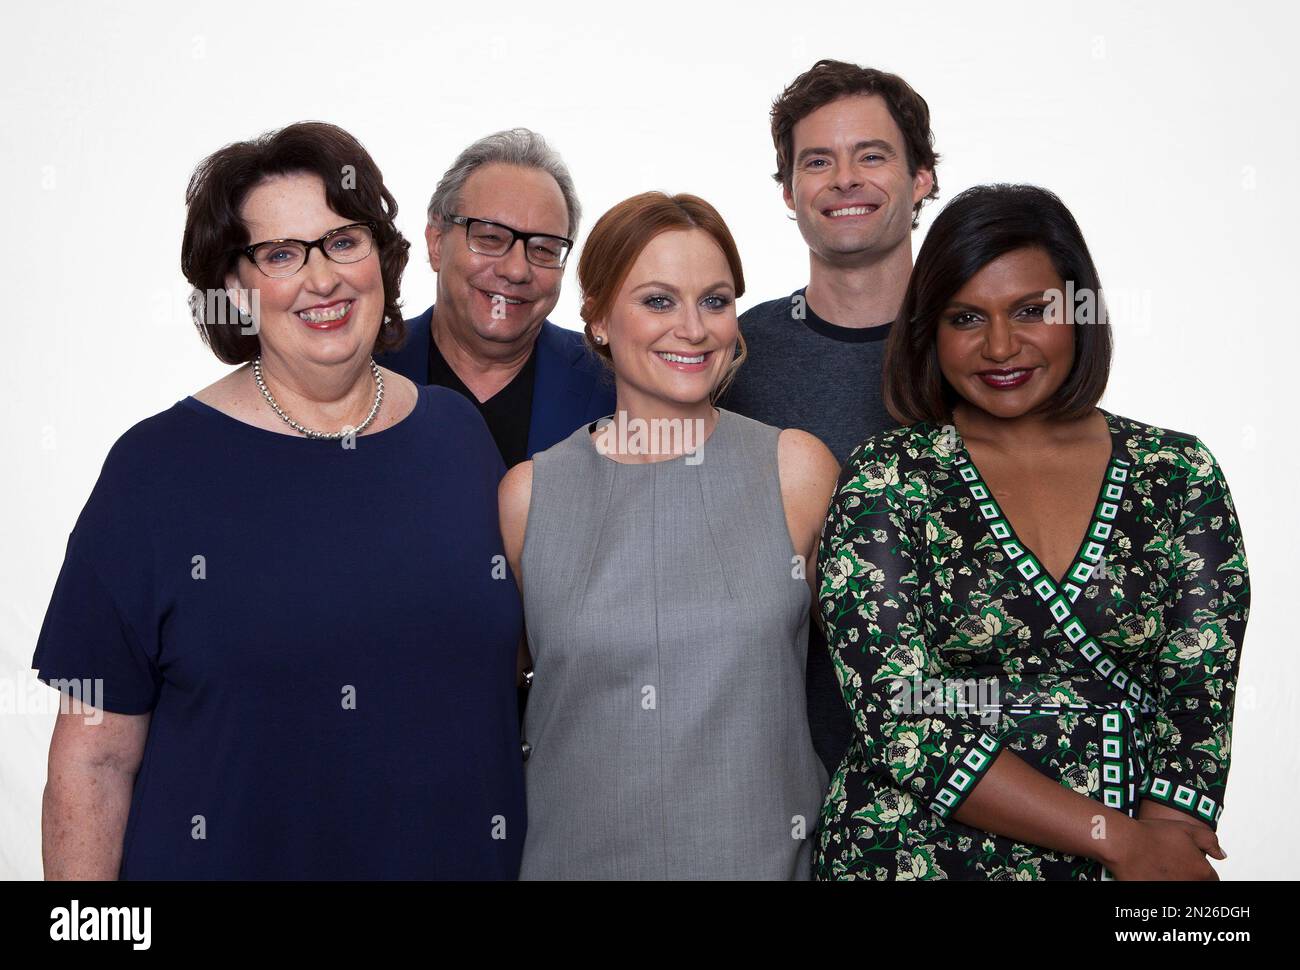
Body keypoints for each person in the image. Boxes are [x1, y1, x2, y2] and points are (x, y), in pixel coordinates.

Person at [32, 122, 525, 879]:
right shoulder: (154, 471)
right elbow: (92, 762)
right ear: (235, 287)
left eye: (343, 242)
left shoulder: (457, 436)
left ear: (382, 259)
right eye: (282, 255)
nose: (322, 279)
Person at [814, 183, 1250, 880]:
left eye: (1032, 310)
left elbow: (1196, 699)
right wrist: (1117, 839)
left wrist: (1157, 852)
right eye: (965, 319)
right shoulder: (888, 477)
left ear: (1081, 310)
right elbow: (901, 715)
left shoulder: (1177, 472)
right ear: (930, 330)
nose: (1000, 346)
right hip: (911, 856)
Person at [498, 192, 838, 879]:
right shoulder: (530, 495)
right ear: (597, 318)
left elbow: (877, 686)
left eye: (714, 301)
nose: (694, 328)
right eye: (658, 301)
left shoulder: (796, 469)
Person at [720, 58, 940, 780]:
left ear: (922, 179)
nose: (845, 178)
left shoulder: (983, 351)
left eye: (871, 155)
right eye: (819, 161)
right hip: (779, 776)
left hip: (975, 783)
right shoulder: (730, 354)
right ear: (789, 191)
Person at [376, 128, 615, 468]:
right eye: (490, 237)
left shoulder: (615, 386)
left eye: (544, 248)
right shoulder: (365, 366)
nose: (516, 270)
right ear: (437, 242)